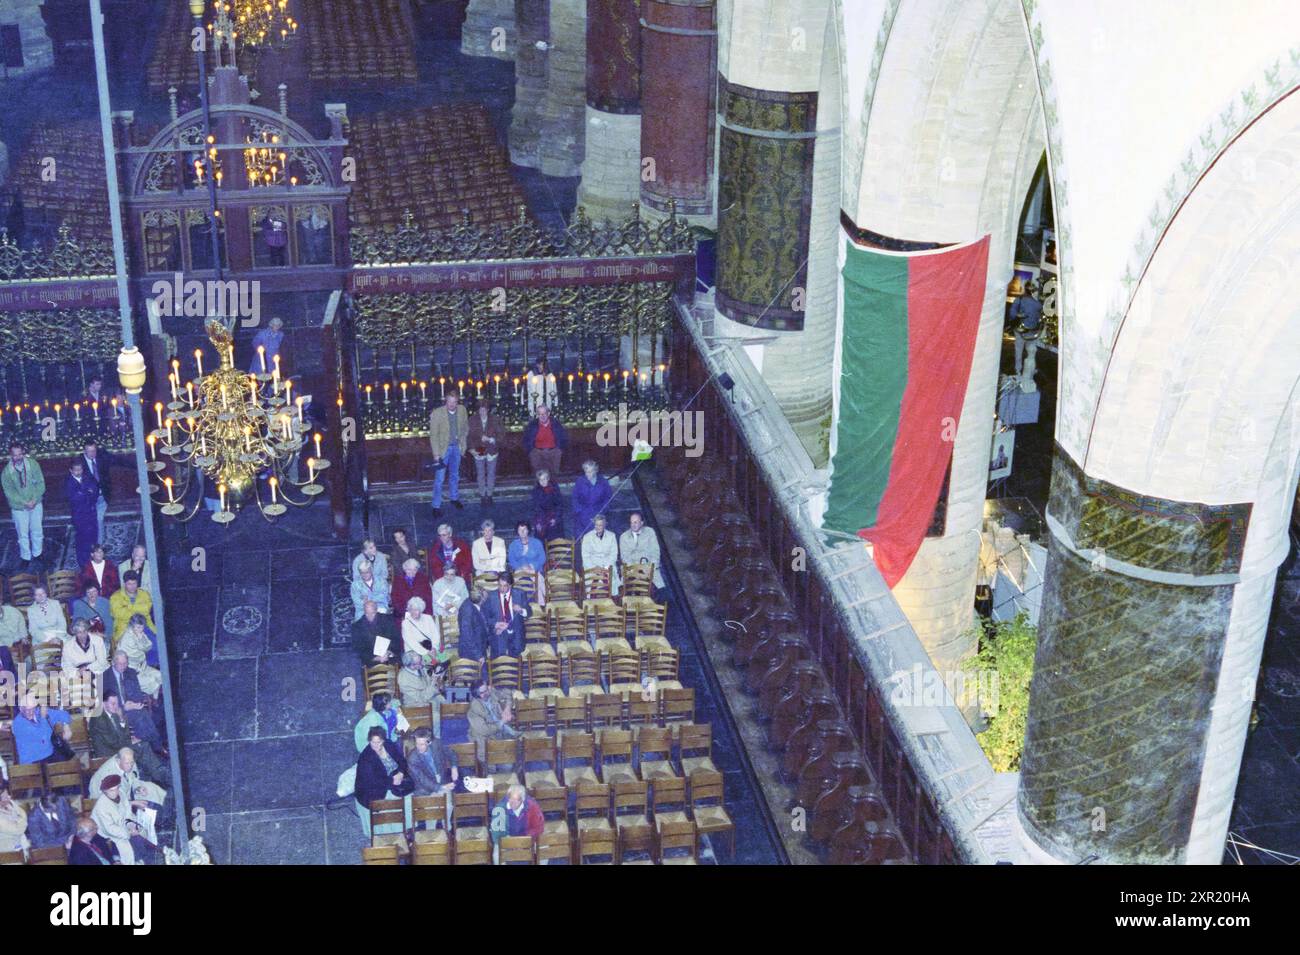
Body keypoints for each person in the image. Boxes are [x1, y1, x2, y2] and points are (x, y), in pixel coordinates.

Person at [89, 692, 169, 785]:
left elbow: (124, 736)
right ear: (103, 704)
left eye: (117, 703)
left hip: (117, 747)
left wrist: (122, 719)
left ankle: (153, 777)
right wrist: (131, 742)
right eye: (113, 703)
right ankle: (159, 775)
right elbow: (113, 742)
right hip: (108, 753)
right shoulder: (98, 718)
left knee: (142, 744)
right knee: (142, 747)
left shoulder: (114, 714)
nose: (116, 706)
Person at [354, 726, 413, 838]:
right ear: (369, 741)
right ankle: (394, 835)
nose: (376, 745)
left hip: (394, 779)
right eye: (373, 742)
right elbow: (373, 781)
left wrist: (401, 772)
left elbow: (402, 761)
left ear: (383, 741)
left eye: (379, 742)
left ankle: (406, 829)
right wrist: (392, 781)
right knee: (395, 803)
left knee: (410, 798)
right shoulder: (366, 758)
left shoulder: (389, 745)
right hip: (374, 790)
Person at [91, 774, 159, 866]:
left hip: (123, 828)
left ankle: (143, 860)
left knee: (144, 836)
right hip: (105, 834)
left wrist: (130, 824)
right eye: (112, 790)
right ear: (105, 792)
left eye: (117, 788)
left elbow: (128, 813)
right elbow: (110, 829)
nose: (115, 792)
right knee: (131, 845)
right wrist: (129, 833)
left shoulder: (121, 795)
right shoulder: (101, 806)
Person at [102, 651, 164, 751]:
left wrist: (134, 704)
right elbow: (106, 704)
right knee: (142, 717)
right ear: (113, 663)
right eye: (120, 664)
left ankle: (150, 747)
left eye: (125, 663)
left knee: (143, 715)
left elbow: (138, 693)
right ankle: (156, 747)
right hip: (116, 711)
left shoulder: (130, 672)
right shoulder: (104, 677)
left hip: (132, 707)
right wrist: (123, 706)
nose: (124, 666)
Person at [2, 441, 45, 572]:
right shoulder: (6, 473)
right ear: (11, 456)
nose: (18, 457)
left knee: (37, 530)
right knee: (23, 534)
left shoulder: (33, 464)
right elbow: (9, 493)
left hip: (35, 503)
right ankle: (25, 557)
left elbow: (41, 483)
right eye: (15, 455)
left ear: (23, 453)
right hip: (19, 508)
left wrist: (34, 499)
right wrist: (24, 503)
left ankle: (38, 554)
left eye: (20, 454)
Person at [89, 746, 168, 812]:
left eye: (132, 762)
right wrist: (133, 803)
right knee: (140, 805)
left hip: (124, 793)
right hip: (104, 803)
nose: (130, 766)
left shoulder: (128, 760)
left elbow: (134, 778)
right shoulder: (109, 775)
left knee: (151, 788)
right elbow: (113, 800)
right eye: (127, 763)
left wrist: (138, 788)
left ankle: (169, 808)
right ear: (118, 761)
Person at [429, 391, 469, 518]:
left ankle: (454, 497)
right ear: (445, 401)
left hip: (456, 447)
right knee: (439, 479)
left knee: (455, 474)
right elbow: (433, 436)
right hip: (442, 450)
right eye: (450, 402)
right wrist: (436, 454)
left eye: (455, 402)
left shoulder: (462, 410)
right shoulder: (437, 413)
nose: (452, 404)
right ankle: (436, 505)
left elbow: (465, 427)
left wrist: (462, 442)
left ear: (458, 401)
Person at [9, 693, 73, 764]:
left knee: (71, 764)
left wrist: (66, 727)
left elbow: (64, 714)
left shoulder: (37, 712)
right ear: (20, 709)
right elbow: (43, 737)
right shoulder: (18, 723)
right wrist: (43, 718)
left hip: (49, 755)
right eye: (26, 710)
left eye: (32, 709)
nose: (30, 712)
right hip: (32, 761)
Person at [467, 678, 517, 762]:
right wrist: (502, 721)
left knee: (520, 751)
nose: (486, 693)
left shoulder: (490, 692)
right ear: (476, 694)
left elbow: (508, 693)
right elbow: (485, 730)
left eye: (486, 689)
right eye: (482, 693)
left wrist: (507, 708)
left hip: (501, 734)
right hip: (486, 742)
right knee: (506, 765)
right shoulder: (474, 710)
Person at [481, 572, 528, 658]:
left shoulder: (520, 594)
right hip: (498, 634)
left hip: (515, 634)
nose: (501, 588)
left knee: (515, 666)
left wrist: (521, 610)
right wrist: (495, 624)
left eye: (505, 586)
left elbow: (529, 612)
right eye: (499, 585)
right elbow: (484, 617)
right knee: (499, 666)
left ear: (510, 585)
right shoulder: (491, 596)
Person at [467, 400, 504, 506]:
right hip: (478, 448)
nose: (482, 411)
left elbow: (502, 435)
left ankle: (490, 494)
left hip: (492, 449)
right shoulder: (472, 420)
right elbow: (468, 436)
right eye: (480, 409)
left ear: (488, 410)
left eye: (484, 409)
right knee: (480, 473)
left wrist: (493, 439)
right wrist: (471, 449)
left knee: (491, 473)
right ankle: (483, 495)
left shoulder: (496, 420)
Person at [65, 460, 100, 568]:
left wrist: (84, 493)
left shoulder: (88, 478)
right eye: (76, 470)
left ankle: (94, 559)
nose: (79, 472)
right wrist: (87, 492)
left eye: (80, 470)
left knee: (93, 537)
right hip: (79, 516)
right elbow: (75, 498)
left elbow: (95, 492)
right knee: (82, 540)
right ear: (71, 470)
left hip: (91, 513)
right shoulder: (68, 482)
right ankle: (84, 564)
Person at [80, 440, 116, 545]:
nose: (92, 454)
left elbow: (119, 460)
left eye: (94, 451)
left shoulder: (102, 456)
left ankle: (98, 545)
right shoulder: (79, 462)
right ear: (84, 452)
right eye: (89, 451)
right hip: (88, 500)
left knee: (98, 519)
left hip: (102, 498)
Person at [619, 511, 666, 592]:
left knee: (663, 592)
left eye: (636, 522)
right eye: (631, 522)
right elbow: (624, 557)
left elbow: (655, 552)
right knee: (623, 592)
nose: (633, 525)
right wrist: (636, 570)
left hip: (649, 568)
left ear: (642, 523)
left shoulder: (650, 532)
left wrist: (650, 568)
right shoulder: (623, 537)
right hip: (631, 569)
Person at [118, 614, 162, 697]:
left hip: (142, 667)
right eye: (138, 627)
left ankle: (156, 698)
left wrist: (141, 639)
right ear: (132, 626)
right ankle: (155, 701)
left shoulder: (140, 633)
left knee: (160, 676)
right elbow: (135, 656)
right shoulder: (127, 637)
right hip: (130, 672)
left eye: (142, 627)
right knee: (152, 682)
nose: (140, 629)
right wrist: (142, 649)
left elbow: (149, 646)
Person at [407, 726, 457, 797]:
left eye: (422, 744)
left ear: (429, 742)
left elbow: (451, 754)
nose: (418, 747)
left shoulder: (437, 743)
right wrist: (440, 787)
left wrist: (454, 767)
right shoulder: (412, 759)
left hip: (443, 778)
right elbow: (422, 779)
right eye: (417, 743)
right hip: (424, 788)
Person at [491, 783, 544, 848]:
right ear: (508, 797)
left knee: (543, 849)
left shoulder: (532, 806)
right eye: (511, 799)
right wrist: (510, 842)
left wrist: (526, 839)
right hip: (507, 841)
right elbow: (496, 834)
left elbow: (538, 827)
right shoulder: (499, 809)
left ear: (523, 800)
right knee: (496, 855)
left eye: (517, 800)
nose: (513, 803)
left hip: (527, 839)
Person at [522, 404, 568, 478]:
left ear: (548, 413)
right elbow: (526, 440)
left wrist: (559, 450)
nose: (542, 416)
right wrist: (531, 451)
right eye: (539, 414)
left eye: (544, 413)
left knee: (554, 476)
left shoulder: (556, 424)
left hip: (553, 452)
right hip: (537, 452)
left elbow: (564, 438)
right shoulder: (532, 425)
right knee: (538, 476)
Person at [572, 459, 614, 540]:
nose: (588, 474)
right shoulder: (580, 481)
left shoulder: (603, 482)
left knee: (599, 536)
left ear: (596, 470)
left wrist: (601, 513)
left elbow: (608, 499)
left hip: (598, 512)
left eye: (591, 471)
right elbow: (575, 498)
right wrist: (580, 511)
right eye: (586, 471)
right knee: (583, 537)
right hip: (583, 513)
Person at [581, 513, 622, 595]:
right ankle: (593, 600)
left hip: (607, 566)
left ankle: (611, 601)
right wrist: (594, 568)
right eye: (596, 525)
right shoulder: (587, 537)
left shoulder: (612, 536)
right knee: (593, 585)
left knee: (612, 584)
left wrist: (605, 567)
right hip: (592, 567)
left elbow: (614, 554)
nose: (597, 527)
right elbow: (585, 557)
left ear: (604, 525)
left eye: (600, 525)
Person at [110, 571, 155, 643]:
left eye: (134, 583)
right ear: (124, 584)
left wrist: (128, 608)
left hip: (145, 626)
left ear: (137, 583)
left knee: (155, 647)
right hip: (124, 628)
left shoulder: (144, 594)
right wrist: (139, 609)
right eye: (129, 584)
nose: (132, 587)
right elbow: (118, 614)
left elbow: (146, 610)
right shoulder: (115, 597)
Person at [351, 599, 398, 666]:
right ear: (364, 612)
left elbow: (396, 638)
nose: (370, 617)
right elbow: (358, 649)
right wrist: (376, 658)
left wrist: (389, 652)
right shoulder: (357, 626)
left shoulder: (388, 620)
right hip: (370, 661)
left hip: (389, 656)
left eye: (372, 613)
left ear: (376, 610)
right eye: (367, 613)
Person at [456, 587, 490, 668]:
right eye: (485, 599)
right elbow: (467, 636)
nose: (486, 600)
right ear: (480, 601)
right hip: (470, 652)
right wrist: (478, 655)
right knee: (478, 678)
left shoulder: (474, 601)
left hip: (480, 645)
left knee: (484, 676)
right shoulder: (467, 611)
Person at [400, 597, 441, 663]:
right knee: (423, 661)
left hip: (431, 648)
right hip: (414, 652)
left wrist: (434, 648)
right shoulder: (405, 623)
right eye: (411, 610)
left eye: (416, 610)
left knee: (444, 659)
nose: (413, 612)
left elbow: (435, 634)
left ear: (421, 609)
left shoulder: (428, 618)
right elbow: (411, 642)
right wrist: (427, 652)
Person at [530, 469, 564, 541]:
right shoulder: (535, 491)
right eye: (540, 480)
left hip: (553, 520)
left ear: (548, 478)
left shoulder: (555, 489)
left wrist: (555, 519)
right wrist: (537, 523)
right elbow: (535, 508)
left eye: (544, 479)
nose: (543, 481)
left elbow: (559, 505)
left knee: (555, 542)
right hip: (541, 521)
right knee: (541, 542)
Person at [0, 783, 28, 853]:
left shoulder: (10, 803)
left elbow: (22, 812)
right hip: (9, 850)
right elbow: (18, 830)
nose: (9, 797)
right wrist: (21, 818)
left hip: (21, 843)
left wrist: (19, 820)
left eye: (8, 795)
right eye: (6, 797)